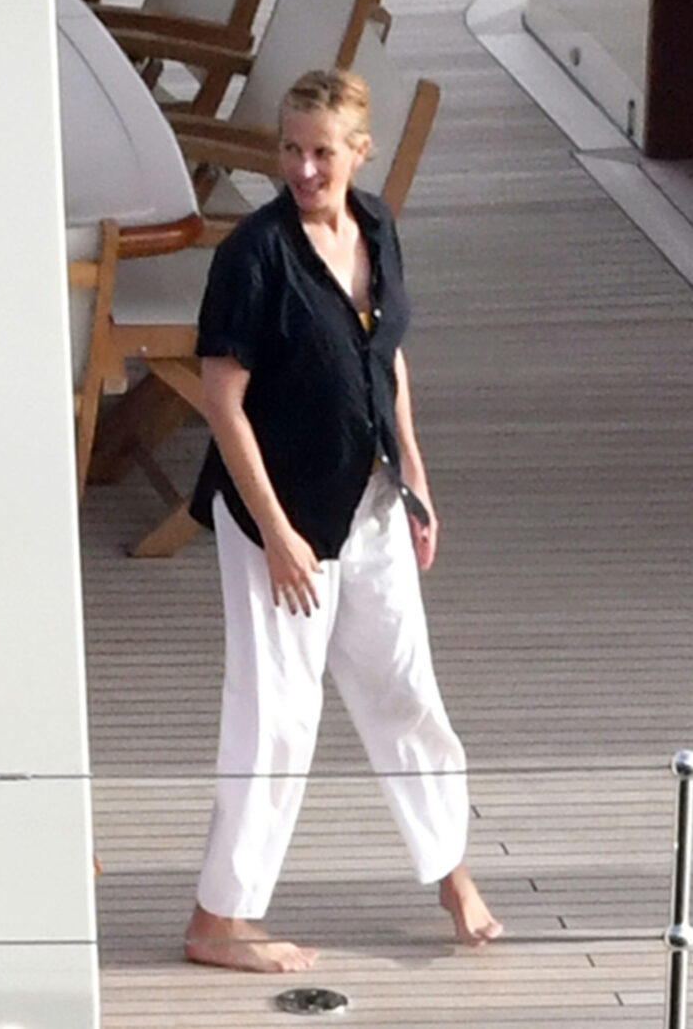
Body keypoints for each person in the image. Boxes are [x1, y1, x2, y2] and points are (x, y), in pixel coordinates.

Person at [184, 69, 502, 974]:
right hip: (277, 519)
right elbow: (221, 401)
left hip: (370, 502)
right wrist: (278, 534)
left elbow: (384, 360)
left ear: (360, 152)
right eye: (290, 149)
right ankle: (217, 920)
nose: (304, 169)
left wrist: (416, 479)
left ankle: (452, 872)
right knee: (277, 717)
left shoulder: (378, 229)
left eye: (322, 151)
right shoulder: (252, 256)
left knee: (405, 688)